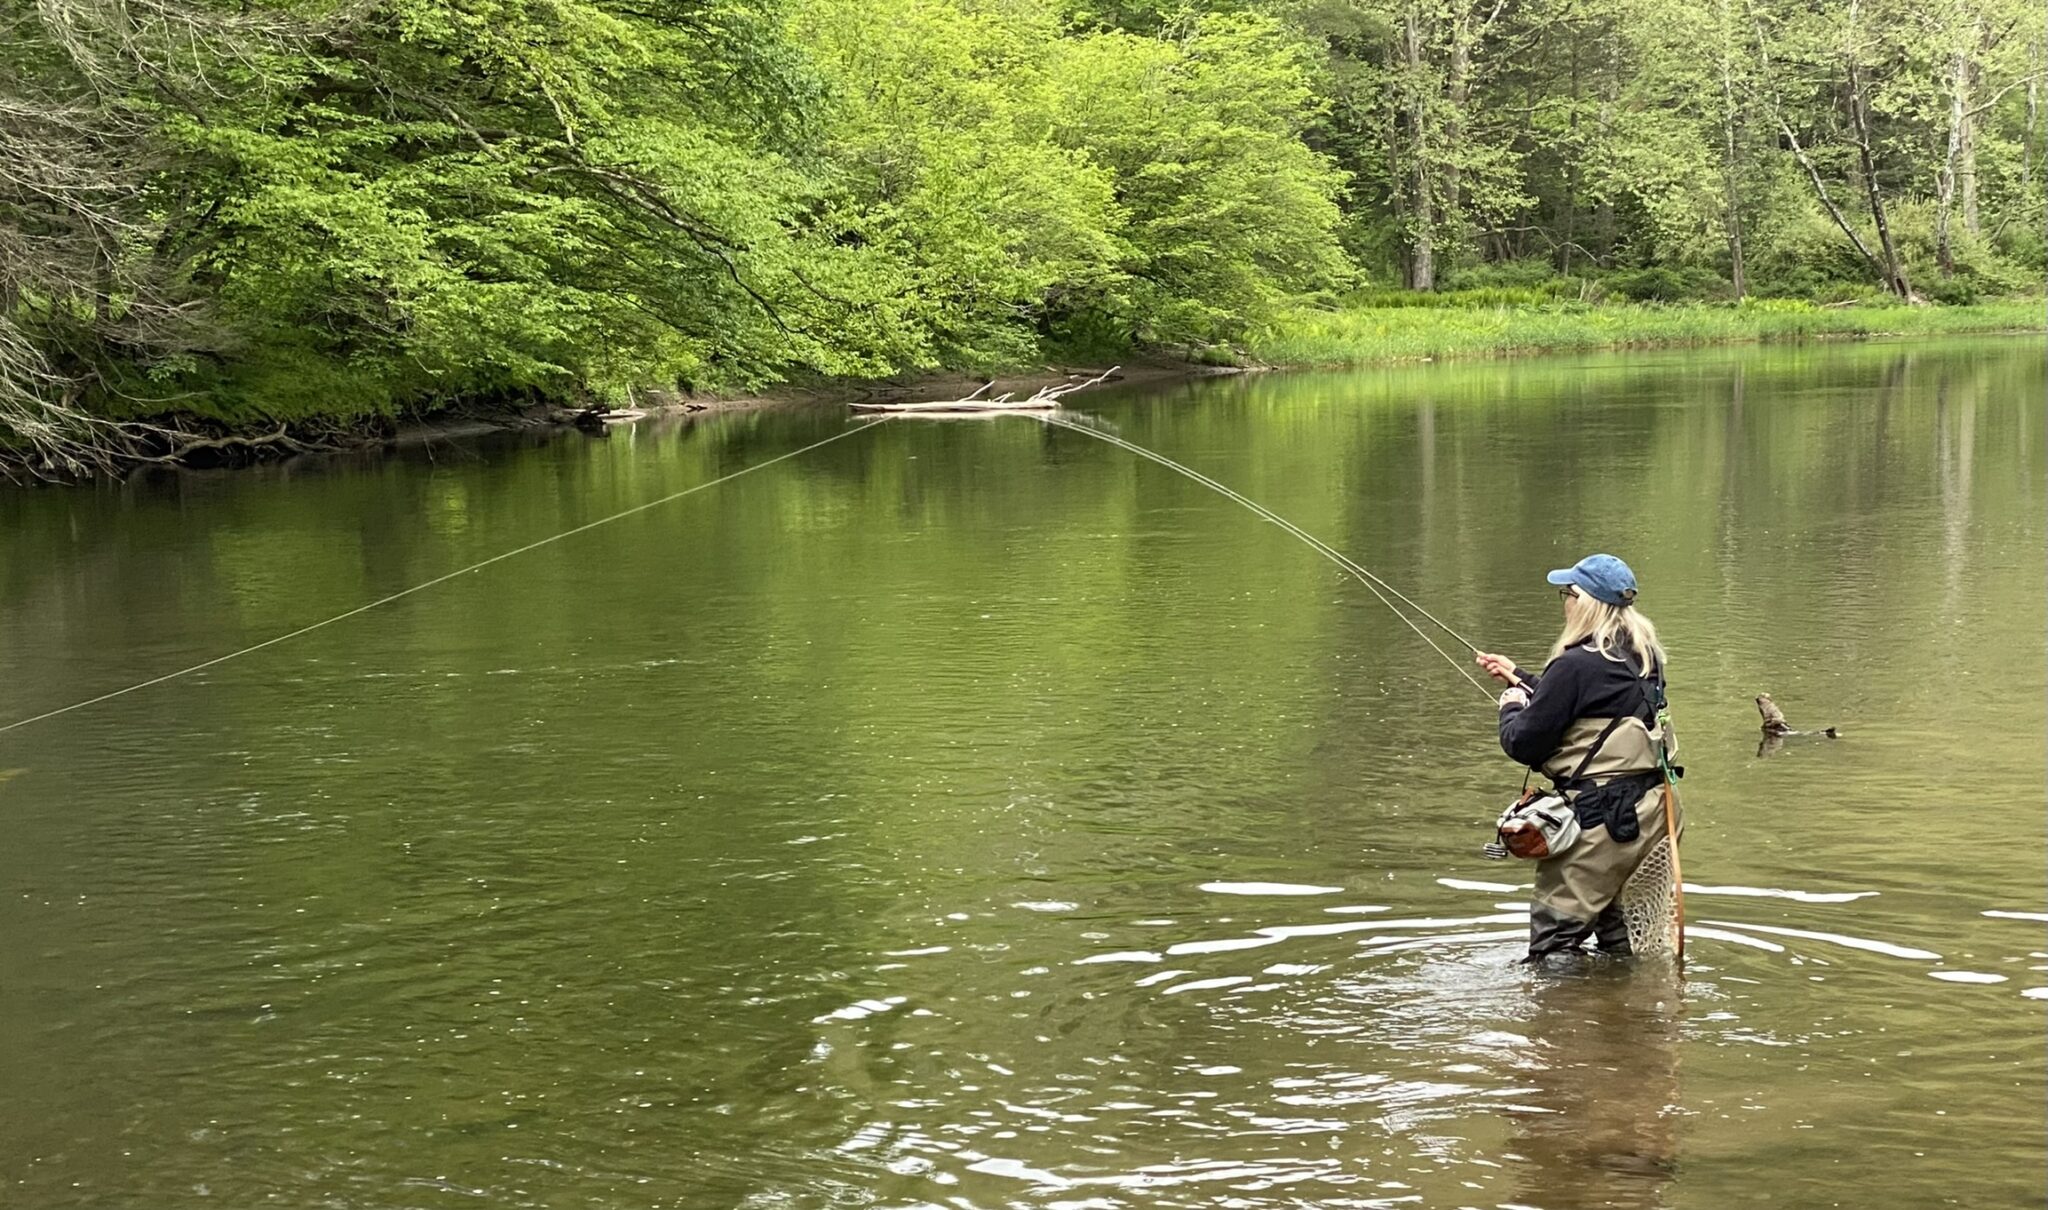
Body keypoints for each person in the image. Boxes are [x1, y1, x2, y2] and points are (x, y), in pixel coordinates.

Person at [1473, 554, 1681, 961]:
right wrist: (1523, 677)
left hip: (1600, 823)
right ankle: (1632, 1014)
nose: (1564, 601)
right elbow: (1597, 702)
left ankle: (1563, 1018)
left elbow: (1523, 743)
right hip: (1652, 815)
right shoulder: (1644, 655)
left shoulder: (1574, 664)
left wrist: (1511, 705)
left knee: (1554, 943)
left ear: (1585, 603)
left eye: (1567, 593)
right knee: (1620, 935)